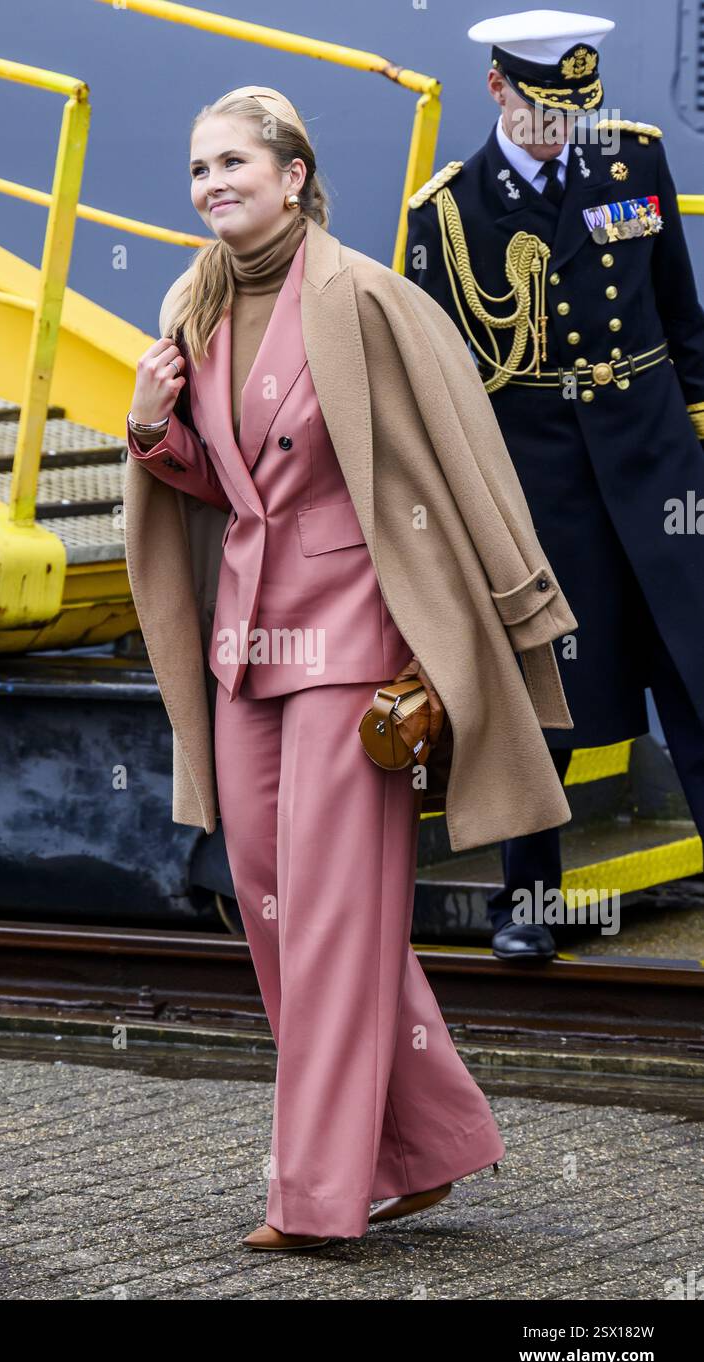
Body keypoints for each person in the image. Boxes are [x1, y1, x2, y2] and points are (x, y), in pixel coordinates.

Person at [122, 85, 578, 1249]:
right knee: (276, 912)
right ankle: (428, 1143)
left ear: (292, 173)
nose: (210, 183)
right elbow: (221, 487)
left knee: (329, 920)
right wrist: (148, 432)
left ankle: (315, 1199)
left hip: (355, 652)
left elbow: (454, 462)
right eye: (195, 167)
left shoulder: (369, 301)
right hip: (247, 647)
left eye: (232, 161)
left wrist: (499, 623)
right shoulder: (192, 304)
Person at [405, 9, 704, 963]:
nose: (563, 128)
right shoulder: (446, 212)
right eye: (544, 111)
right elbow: (436, 389)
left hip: (656, 471)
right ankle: (531, 900)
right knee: (549, 702)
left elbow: (681, 318)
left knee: (697, 681)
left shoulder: (635, 162)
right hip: (544, 487)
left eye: (576, 109)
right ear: (498, 90)